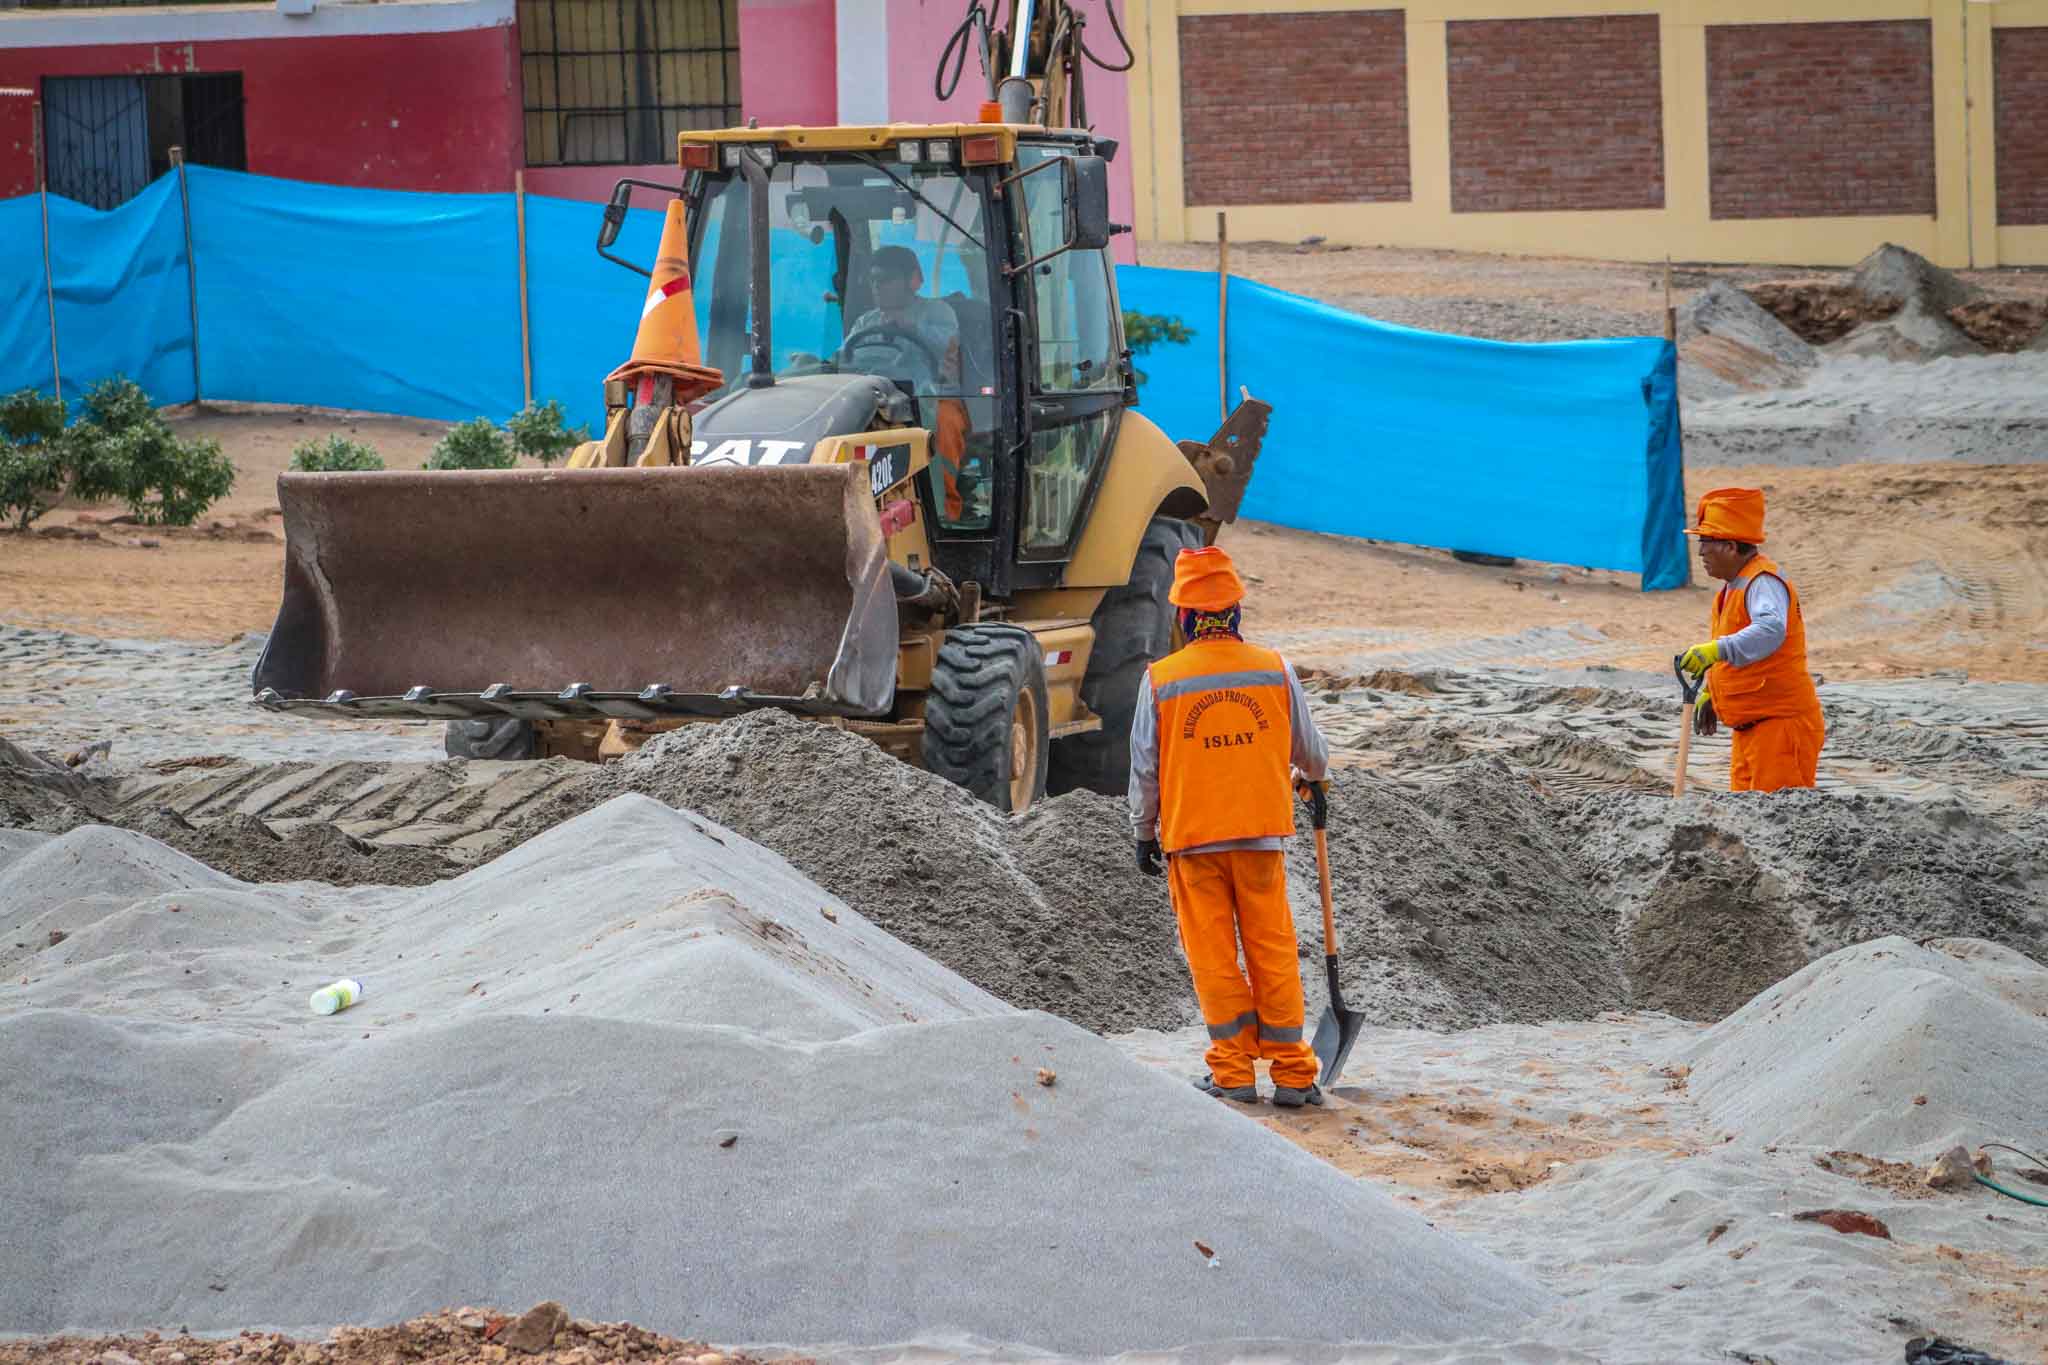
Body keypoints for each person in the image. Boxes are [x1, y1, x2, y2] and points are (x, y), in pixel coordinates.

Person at [1127, 545, 1332, 1108]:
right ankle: (1293, 1075)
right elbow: (1313, 756)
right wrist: (1306, 778)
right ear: (1235, 610)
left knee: (1214, 958)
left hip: (1193, 842)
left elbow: (1145, 769)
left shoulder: (1161, 680)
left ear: (1185, 616)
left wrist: (1144, 832)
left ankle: (1233, 1073)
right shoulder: (1274, 669)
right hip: (1261, 837)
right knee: (1273, 950)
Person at [1680, 486, 1826, 792]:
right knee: (1749, 822)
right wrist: (1713, 693)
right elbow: (1746, 655)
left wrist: (1716, 650)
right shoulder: (1733, 587)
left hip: (1779, 728)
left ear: (1731, 547)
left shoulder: (1762, 582)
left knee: (1780, 826)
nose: (1701, 552)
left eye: (1706, 542)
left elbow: (1771, 631)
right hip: (1751, 731)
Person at [846, 246, 974, 523]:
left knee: (945, 424)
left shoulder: (937, 312)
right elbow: (843, 357)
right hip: (876, 400)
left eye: (886, 279)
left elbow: (946, 345)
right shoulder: (865, 322)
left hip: (931, 397)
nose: (878, 287)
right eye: (873, 281)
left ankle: (944, 514)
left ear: (913, 279)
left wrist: (910, 327)